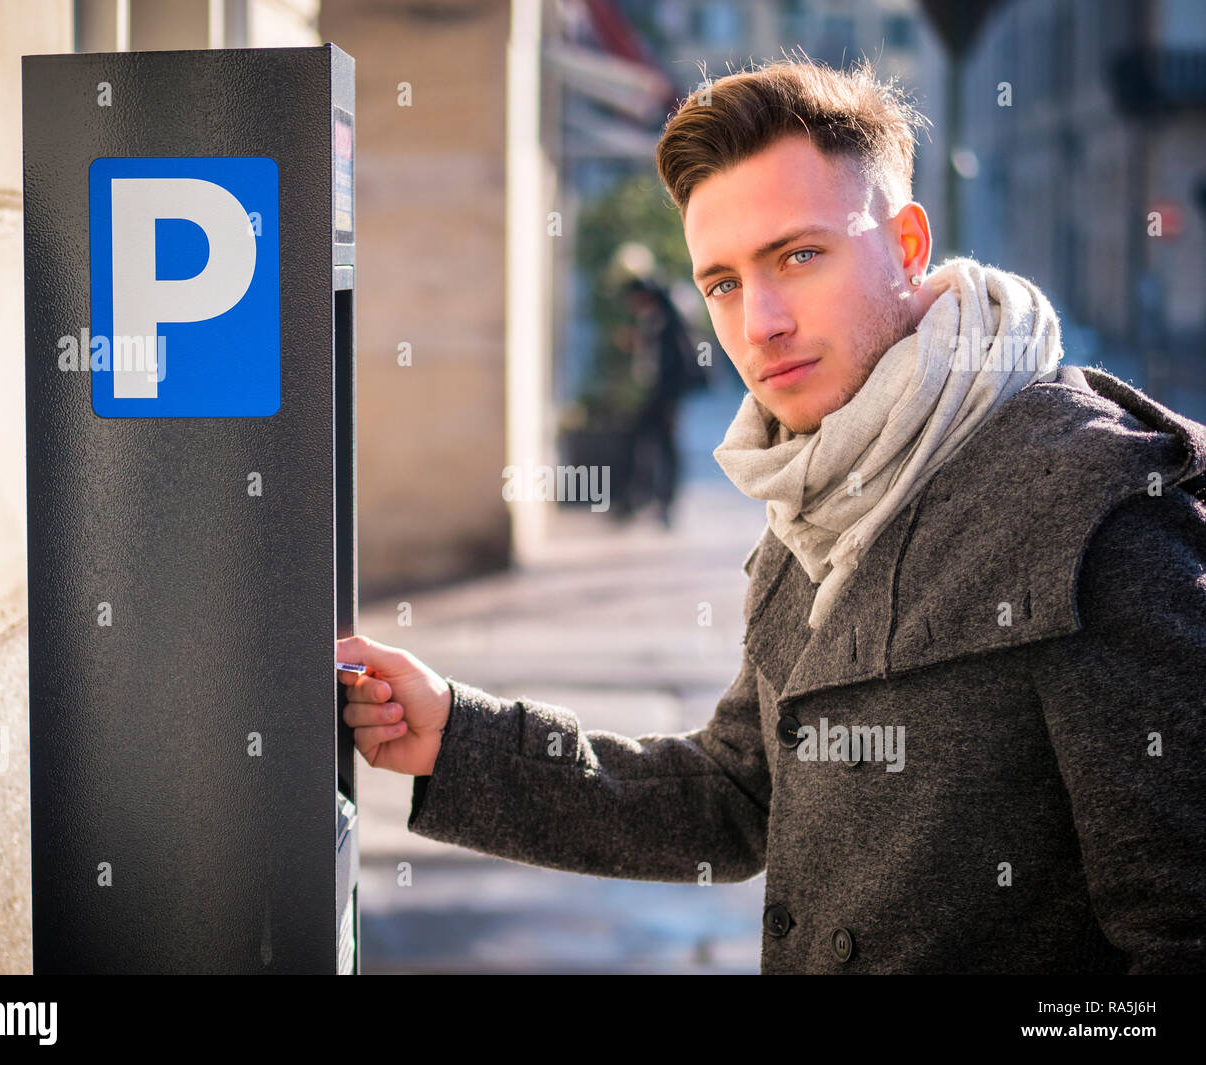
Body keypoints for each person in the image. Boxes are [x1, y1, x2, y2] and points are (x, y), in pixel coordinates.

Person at [335, 56, 1206, 974]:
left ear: (908, 244)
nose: (762, 323)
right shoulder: (825, 480)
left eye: (798, 256)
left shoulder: (1102, 507)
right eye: (723, 282)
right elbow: (735, 791)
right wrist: (461, 741)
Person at [614, 277, 706, 527]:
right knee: (652, 443)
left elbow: (673, 359)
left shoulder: (667, 318)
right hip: (659, 392)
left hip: (667, 394)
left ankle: (659, 503)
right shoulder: (654, 317)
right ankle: (646, 501)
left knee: (660, 444)